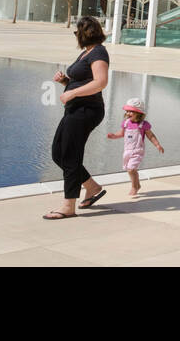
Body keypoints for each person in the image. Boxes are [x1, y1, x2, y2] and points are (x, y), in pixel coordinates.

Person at [44, 16, 111, 219]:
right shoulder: (87, 53)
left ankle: (68, 205)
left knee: (70, 155)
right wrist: (66, 82)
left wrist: (72, 93)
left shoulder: (99, 52)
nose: (76, 37)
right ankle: (92, 187)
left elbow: (100, 82)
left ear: (84, 34)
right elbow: (83, 80)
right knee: (58, 153)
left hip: (86, 110)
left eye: (77, 33)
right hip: (75, 110)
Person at [106, 97, 163, 197]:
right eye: (127, 111)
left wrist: (157, 144)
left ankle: (134, 187)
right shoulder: (126, 123)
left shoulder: (143, 125)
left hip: (138, 150)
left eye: (131, 111)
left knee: (131, 169)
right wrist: (114, 136)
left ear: (139, 113)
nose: (128, 113)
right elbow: (122, 134)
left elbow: (151, 136)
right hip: (127, 151)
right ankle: (137, 184)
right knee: (129, 169)